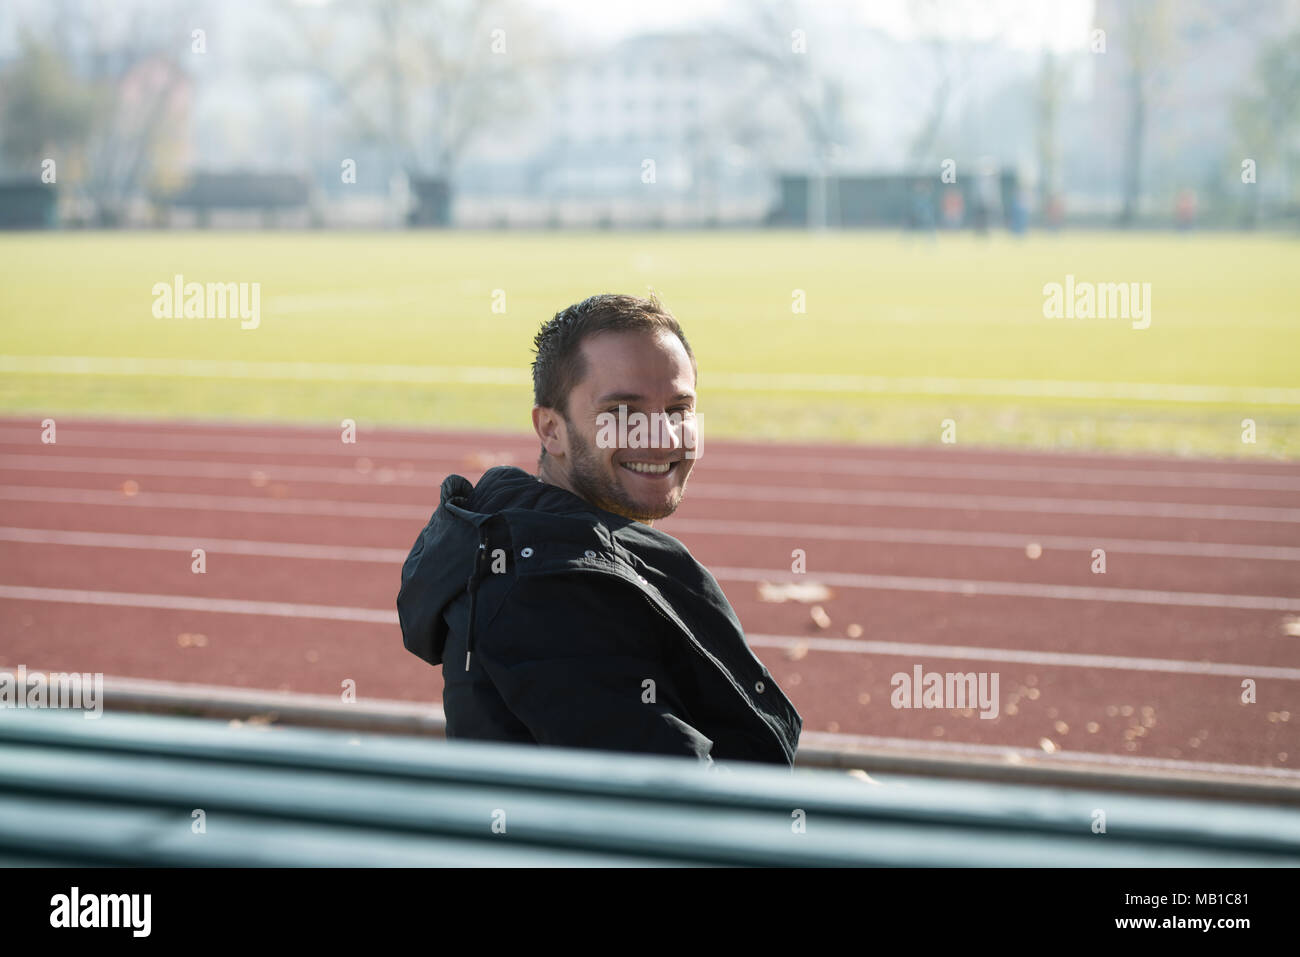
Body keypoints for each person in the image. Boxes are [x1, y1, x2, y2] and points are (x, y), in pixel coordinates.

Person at [397, 293, 801, 768]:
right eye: (624, 412)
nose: (662, 438)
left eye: (678, 410)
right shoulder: (547, 590)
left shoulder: (567, 547)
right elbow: (670, 801)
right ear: (551, 429)